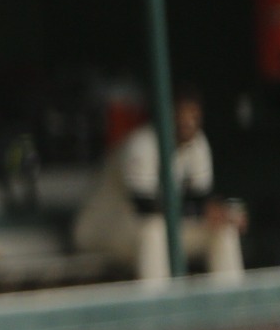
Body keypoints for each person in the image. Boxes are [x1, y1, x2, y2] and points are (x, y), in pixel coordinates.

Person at [74, 82, 246, 285]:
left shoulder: (198, 144)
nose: (188, 122)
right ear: (166, 115)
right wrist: (203, 210)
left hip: (154, 226)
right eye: (181, 115)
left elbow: (199, 198)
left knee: (223, 228)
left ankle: (233, 300)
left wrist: (224, 211)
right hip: (104, 227)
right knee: (153, 230)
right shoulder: (142, 143)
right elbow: (144, 206)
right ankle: (159, 302)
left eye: (193, 116)